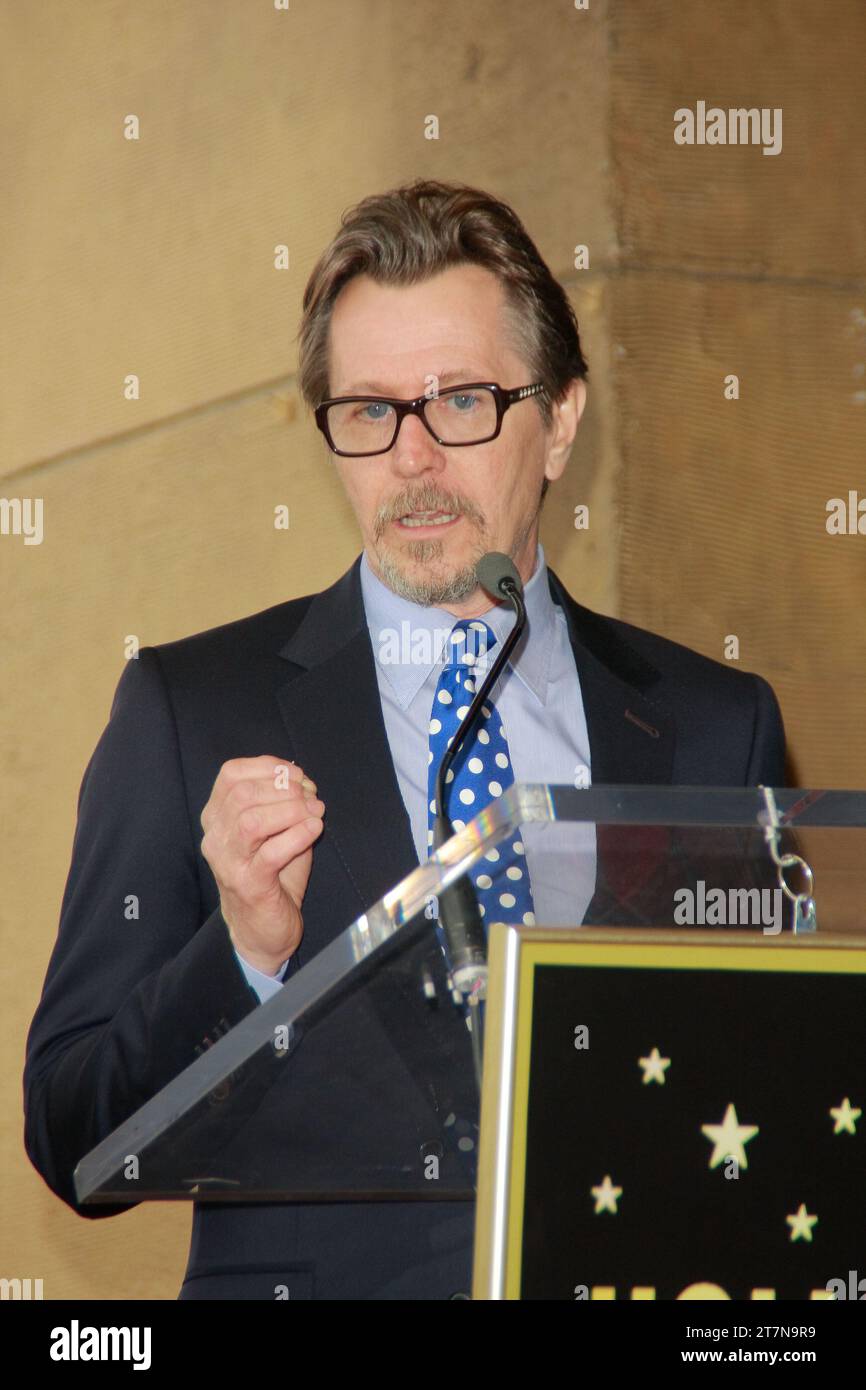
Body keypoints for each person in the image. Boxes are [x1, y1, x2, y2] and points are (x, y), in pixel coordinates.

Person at [23, 180, 786, 1300]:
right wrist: (241, 955)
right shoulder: (190, 708)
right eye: (370, 411)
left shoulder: (718, 725)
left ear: (560, 419)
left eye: (460, 401)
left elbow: (785, 1087)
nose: (412, 460)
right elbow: (76, 1137)